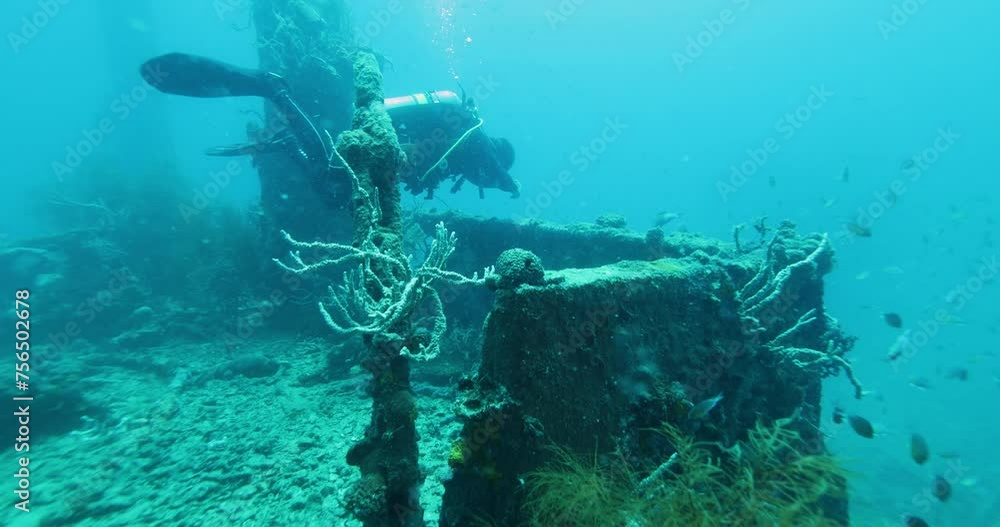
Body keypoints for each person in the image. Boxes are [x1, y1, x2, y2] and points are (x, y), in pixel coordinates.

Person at [139, 53, 519, 200]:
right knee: (334, 175)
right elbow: (493, 165)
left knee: (333, 192)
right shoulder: (474, 132)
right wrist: (509, 184)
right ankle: (276, 91)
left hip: (383, 141)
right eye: (483, 177)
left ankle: (291, 142)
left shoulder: (462, 144)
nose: (480, 180)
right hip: (376, 133)